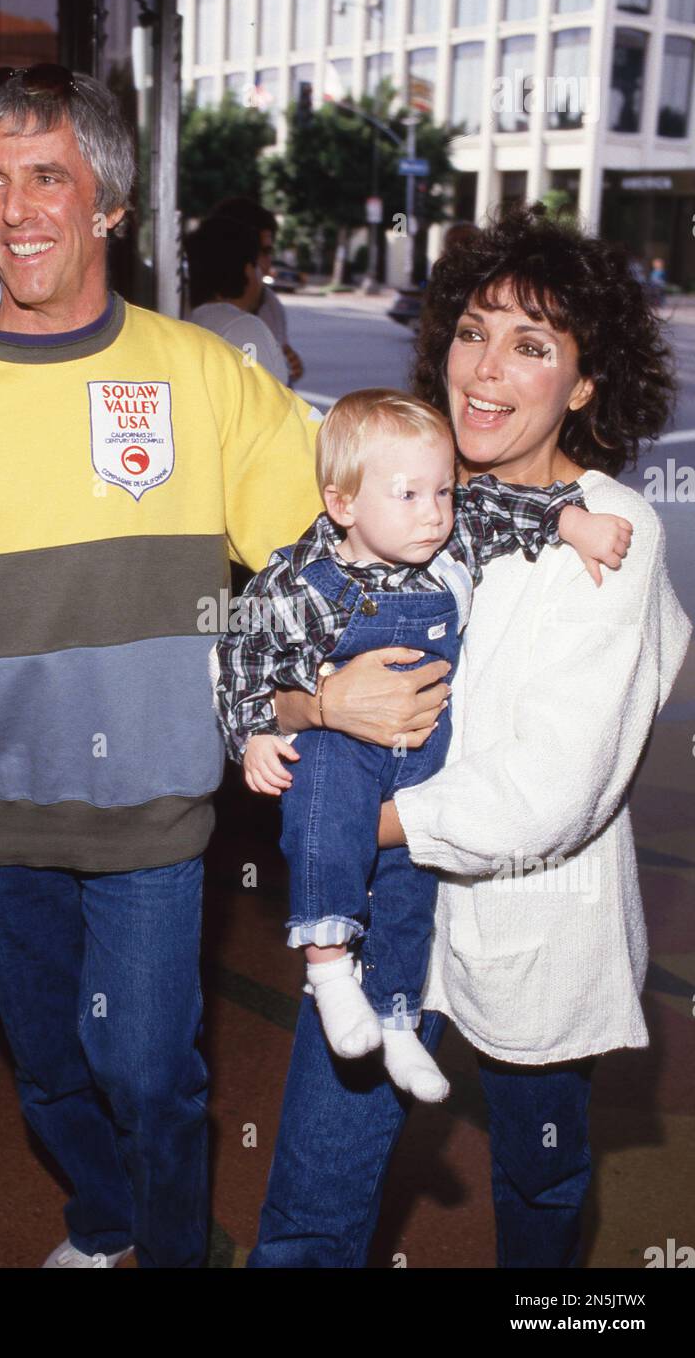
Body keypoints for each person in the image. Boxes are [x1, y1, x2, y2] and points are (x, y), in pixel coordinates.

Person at [0, 65, 326, 1270]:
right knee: (49, 1064)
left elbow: (324, 538)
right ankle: (101, 1225)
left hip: (150, 802)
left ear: (106, 202)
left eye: (48, 175)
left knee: (151, 1072)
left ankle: (166, 1250)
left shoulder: (202, 374)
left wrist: (524, 509)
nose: (16, 208)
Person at [247, 204, 691, 1268]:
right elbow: (280, 654)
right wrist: (311, 708)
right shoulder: (404, 481)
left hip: (532, 916)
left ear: (584, 385)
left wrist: (346, 825)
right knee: (311, 1207)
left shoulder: (612, 534)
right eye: (473, 330)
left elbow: (550, 792)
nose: (486, 370)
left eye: (532, 345)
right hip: (373, 928)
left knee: (539, 1184)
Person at [214, 389, 630, 1103]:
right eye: (408, 494)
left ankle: (399, 1021)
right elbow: (239, 652)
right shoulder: (304, 581)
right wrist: (253, 732)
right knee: (324, 810)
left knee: (410, 896)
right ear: (343, 505)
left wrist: (573, 523)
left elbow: (502, 506)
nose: (435, 511)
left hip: (421, 767)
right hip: (342, 760)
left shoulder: (449, 544)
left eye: (442, 489)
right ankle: (327, 966)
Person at [212, 196, 304, 383]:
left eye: (268, 252)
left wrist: (287, 365)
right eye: (261, 252)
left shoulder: (270, 304)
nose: (266, 263)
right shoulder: (192, 303)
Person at [186, 216, 288, 382]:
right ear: (248, 270)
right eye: (257, 266)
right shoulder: (247, 328)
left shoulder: (190, 319)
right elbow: (262, 400)